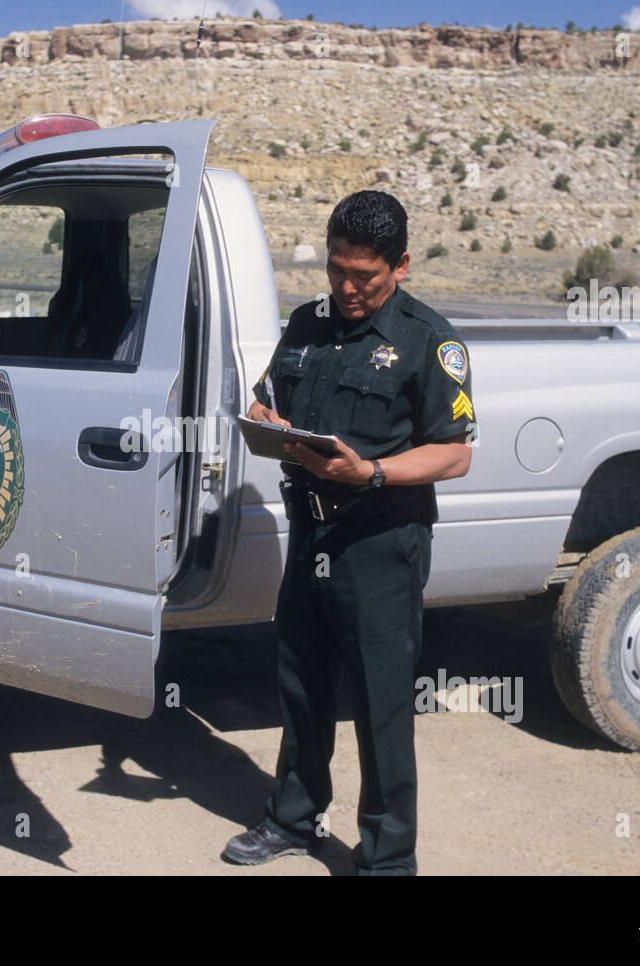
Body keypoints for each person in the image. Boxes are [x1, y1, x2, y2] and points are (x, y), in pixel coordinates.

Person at [223, 190, 475, 875]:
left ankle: (389, 856)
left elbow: (454, 453)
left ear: (401, 265)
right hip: (311, 532)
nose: (348, 287)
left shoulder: (429, 340)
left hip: (381, 542)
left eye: (364, 276)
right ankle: (293, 819)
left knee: (380, 703)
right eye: (337, 270)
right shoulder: (308, 323)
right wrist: (263, 423)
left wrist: (372, 471)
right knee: (301, 680)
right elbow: (264, 399)